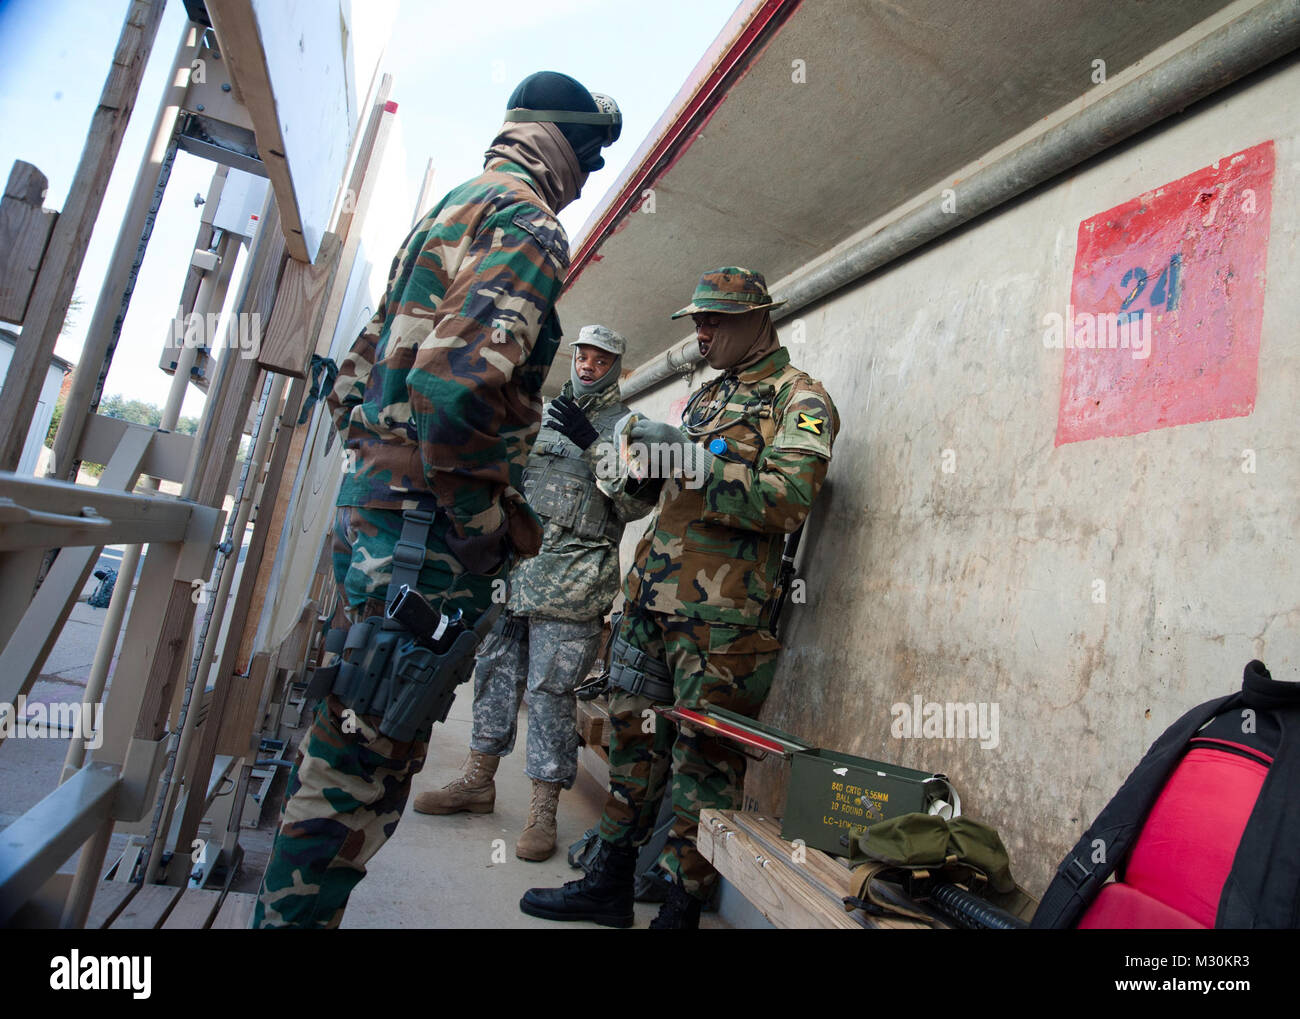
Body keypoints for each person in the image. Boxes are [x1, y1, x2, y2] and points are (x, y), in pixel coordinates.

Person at [252, 71, 621, 929]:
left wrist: (382, 478)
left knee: (350, 746)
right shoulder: (529, 223)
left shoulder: (450, 210)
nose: (589, 176)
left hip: (382, 522)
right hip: (424, 541)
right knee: (357, 774)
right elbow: (456, 392)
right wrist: (484, 528)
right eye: (591, 157)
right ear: (564, 146)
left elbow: (353, 374)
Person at [520, 267, 839, 928]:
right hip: (648, 602)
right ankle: (608, 882)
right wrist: (629, 460)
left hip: (720, 624)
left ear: (760, 317)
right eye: (697, 319)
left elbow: (789, 500)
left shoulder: (799, 399)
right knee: (633, 740)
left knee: (704, 766)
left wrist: (692, 462)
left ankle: (681, 905)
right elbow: (650, 499)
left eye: (716, 319)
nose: (702, 331)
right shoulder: (702, 399)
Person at [412, 325, 655, 863]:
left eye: (601, 358)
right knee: (494, 676)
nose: (588, 365)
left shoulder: (628, 428)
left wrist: (595, 446)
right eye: (583, 356)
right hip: (516, 575)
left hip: (572, 586)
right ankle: (478, 782)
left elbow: (638, 505)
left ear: (617, 365)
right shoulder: (542, 416)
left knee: (549, 695)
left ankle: (543, 811)